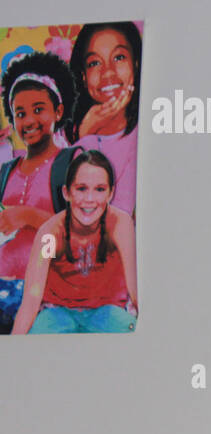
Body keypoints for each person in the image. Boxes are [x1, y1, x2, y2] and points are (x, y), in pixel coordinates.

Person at [11, 149, 137, 335]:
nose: (89, 199)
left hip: (106, 312)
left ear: (110, 194)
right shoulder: (50, 234)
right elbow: (31, 299)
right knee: (35, 338)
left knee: (130, 329)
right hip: (57, 312)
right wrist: (13, 353)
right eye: (81, 188)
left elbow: (135, 289)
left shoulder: (120, 223)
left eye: (100, 189)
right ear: (66, 192)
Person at [0, 52, 77, 333]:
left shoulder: (69, 163)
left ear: (58, 111)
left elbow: (81, 235)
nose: (29, 120)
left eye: (38, 109)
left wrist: (28, 216)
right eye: (20, 113)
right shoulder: (6, 170)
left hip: (47, 298)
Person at [68, 21, 142, 217]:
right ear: (83, 76)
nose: (108, 72)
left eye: (119, 57)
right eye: (94, 63)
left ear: (135, 64)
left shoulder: (146, 134)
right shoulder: (65, 139)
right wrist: (86, 134)